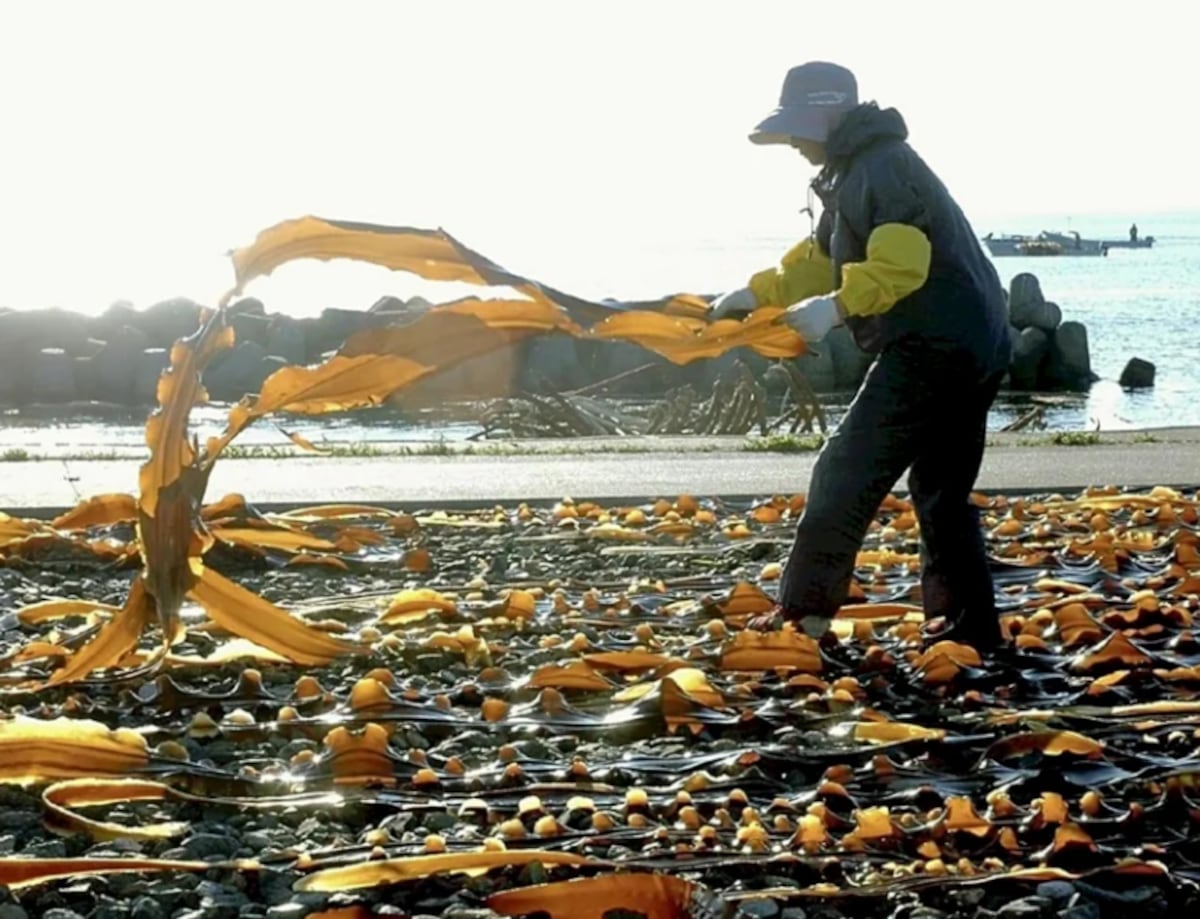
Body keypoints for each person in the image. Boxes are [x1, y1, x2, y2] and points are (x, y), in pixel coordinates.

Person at [709, 62, 1012, 651]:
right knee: (941, 493)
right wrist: (757, 294)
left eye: (797, 128)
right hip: (979, 339)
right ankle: (968, 629)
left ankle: (805, 615)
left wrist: (836, 309)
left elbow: (901, 265)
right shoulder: (855, 168)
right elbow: (822, 259)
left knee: (844, 470)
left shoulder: (882, 168)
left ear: (828, 115)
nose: (792, 143)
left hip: (937, 344)